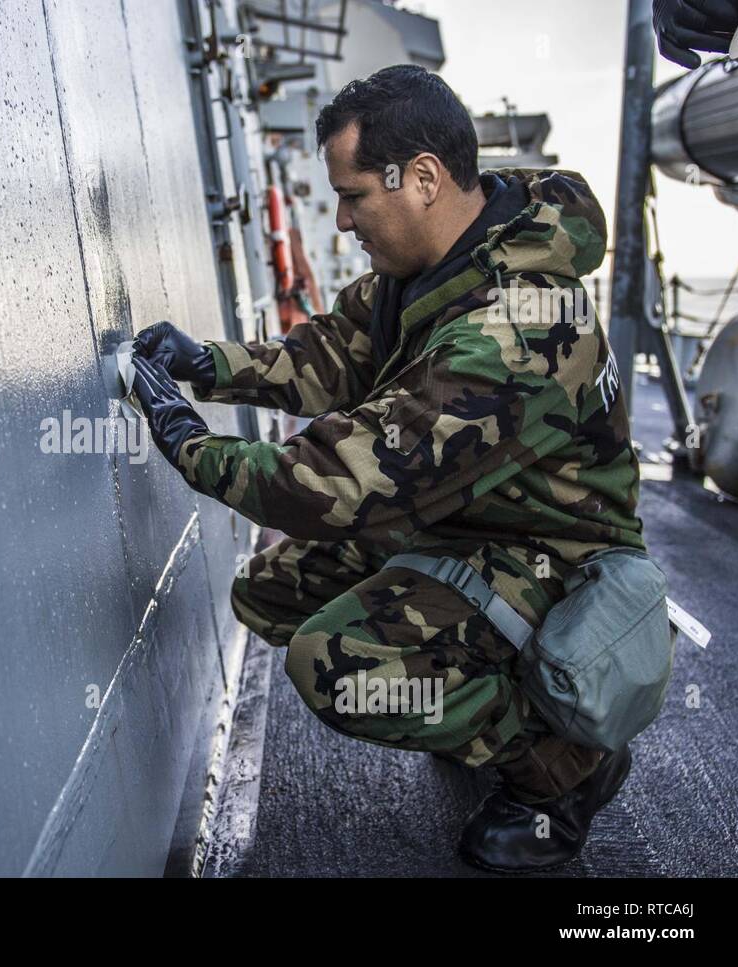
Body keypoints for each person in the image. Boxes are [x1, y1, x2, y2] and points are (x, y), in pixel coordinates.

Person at [130, 64, 646, 872]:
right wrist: (205, 362)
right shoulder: (439, 270)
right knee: (270, 589)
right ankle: (476, 698)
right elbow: (334, 354)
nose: (341, 220)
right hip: (468, 524)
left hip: (549, 564)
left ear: (425, 179)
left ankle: (563, 763)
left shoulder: (517, 329)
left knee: (332, 664)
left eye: (354, 194)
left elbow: (338, 484)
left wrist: (189, 443)